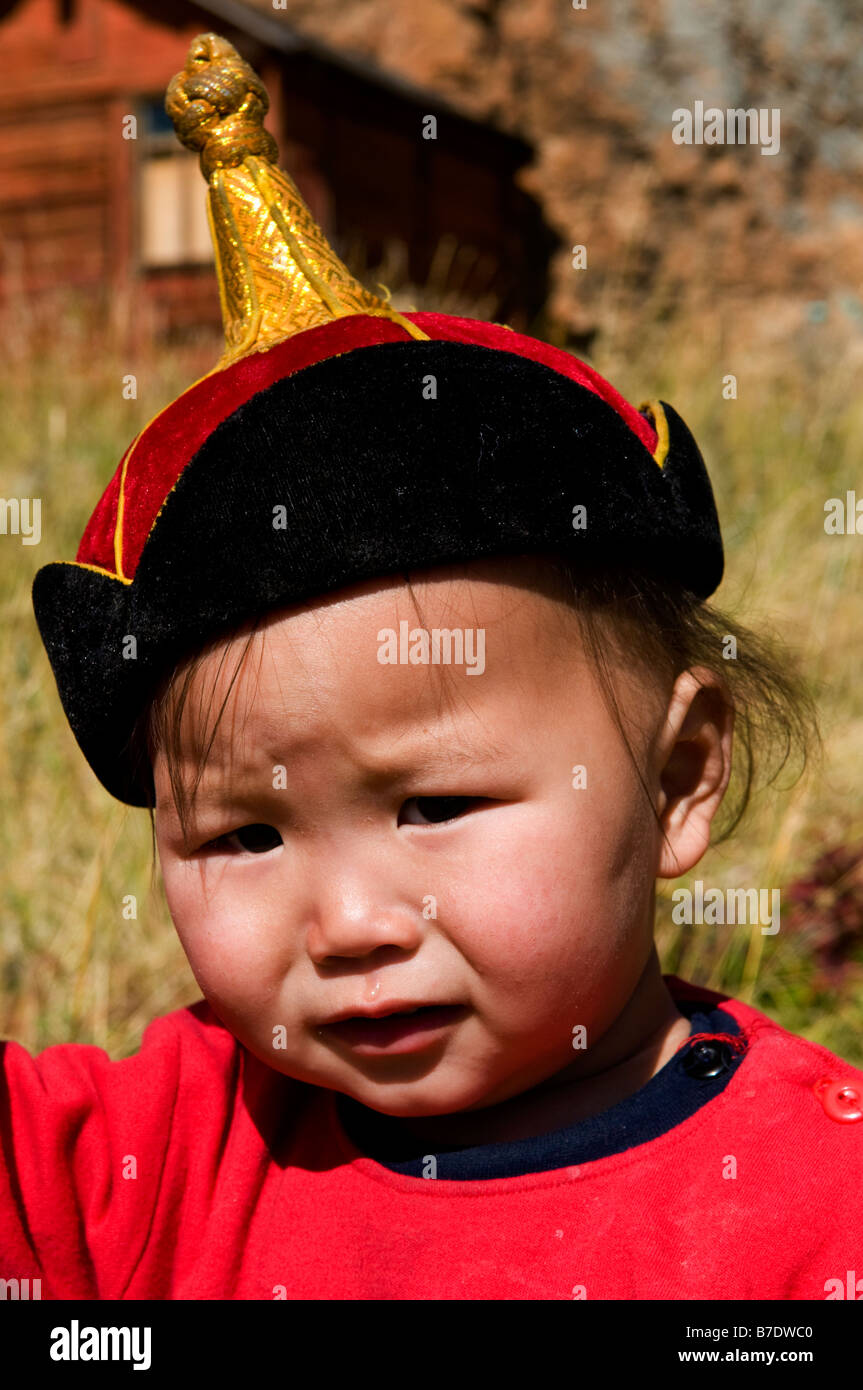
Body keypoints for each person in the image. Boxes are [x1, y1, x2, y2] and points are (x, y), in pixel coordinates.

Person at [4, 32, 861, 1301]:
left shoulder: (817, 1204)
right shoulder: (162, 1151)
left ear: (677, 777)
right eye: (242, 836)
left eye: (434, 806)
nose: (348, 926)